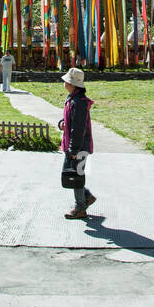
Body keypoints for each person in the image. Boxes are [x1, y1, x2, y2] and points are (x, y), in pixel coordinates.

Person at [59, 66, 96, 220]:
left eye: (67, 80)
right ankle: (86, 197)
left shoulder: (78, 102)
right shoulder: (72, 99)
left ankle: (80, 207)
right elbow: (70, 121)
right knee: (72, 174)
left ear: (73, 84)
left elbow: (79, 128)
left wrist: (74, 150)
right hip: (74, 145)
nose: (64, 82)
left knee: (75, 175)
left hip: (78, 147)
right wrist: (61, 123)